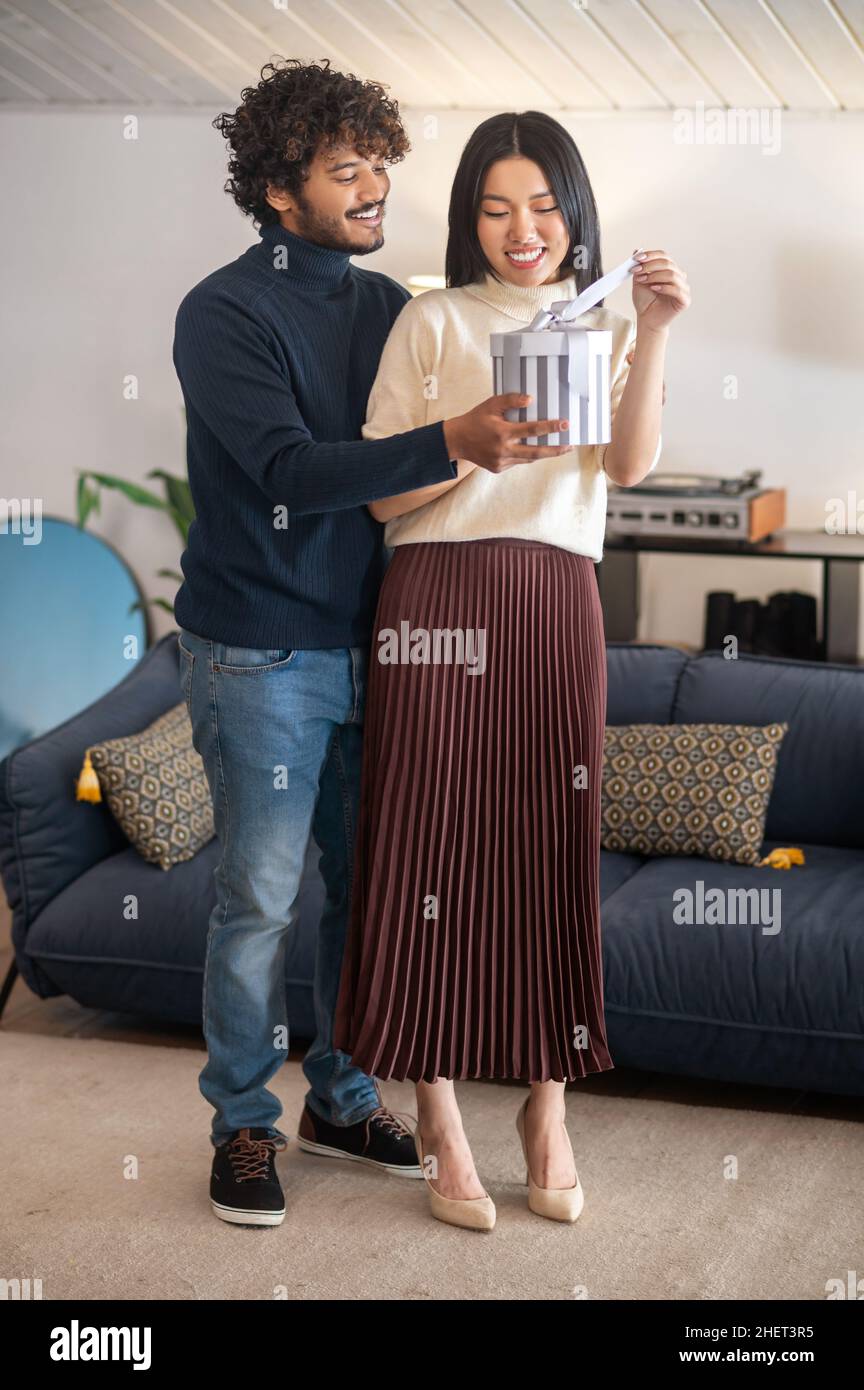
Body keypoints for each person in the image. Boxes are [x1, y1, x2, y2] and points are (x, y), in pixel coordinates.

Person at [172, 63, 572, 1227]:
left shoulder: (396, 305)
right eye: (344, 171)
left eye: (379, 164)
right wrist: (453, 437)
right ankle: (243, 1124)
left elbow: (432, 467)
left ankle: (341, 1095)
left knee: (368, 889)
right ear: (279, 191)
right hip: (259, 652)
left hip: (382, 643)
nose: (373, 187)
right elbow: (294, 474)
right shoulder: (223, 312)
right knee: (258, 896)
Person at [333, 110, 690, 1229]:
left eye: (541, 206)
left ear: (573, 213)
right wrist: (464, 443)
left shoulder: (600, 325)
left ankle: (547, 1106)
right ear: (469, 218)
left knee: (546, 841)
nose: (520, 228)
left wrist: (658, 328)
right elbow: (380, 495)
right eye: (495, 206)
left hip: (552, 597)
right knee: (424, 836)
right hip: (435, 594)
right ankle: (437, 1109)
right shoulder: (429, 318)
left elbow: (625, 467)